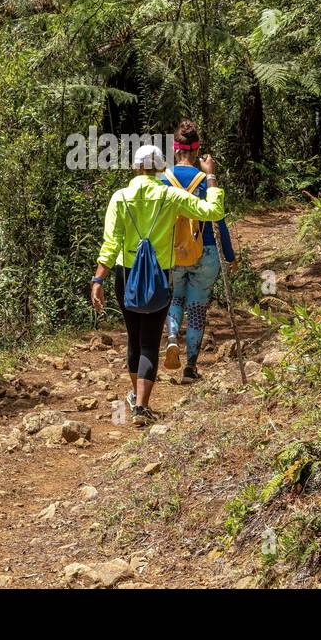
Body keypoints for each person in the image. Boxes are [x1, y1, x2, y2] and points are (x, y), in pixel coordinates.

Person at [91, 143, 224, 426]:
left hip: (125, 277)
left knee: (134, 337)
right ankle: (141, 406)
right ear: (160, 168)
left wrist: (97, 279)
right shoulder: (169, 195)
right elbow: (213, 211)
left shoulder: (120, 198)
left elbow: (110, 244)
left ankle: (134, 396)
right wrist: (210, 177)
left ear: (136, 167)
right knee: (151, 341)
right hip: (159, 277)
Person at [161, 121, 235, 383]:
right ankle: (191, 366)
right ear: (197, 150)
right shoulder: (205, 181)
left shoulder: (161, 180)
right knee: (196, 307)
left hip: (172, 252)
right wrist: (230, 255)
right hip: (206, 251)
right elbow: (219, 220)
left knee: (175, 300)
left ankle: (171, 338)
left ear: (174, 148)